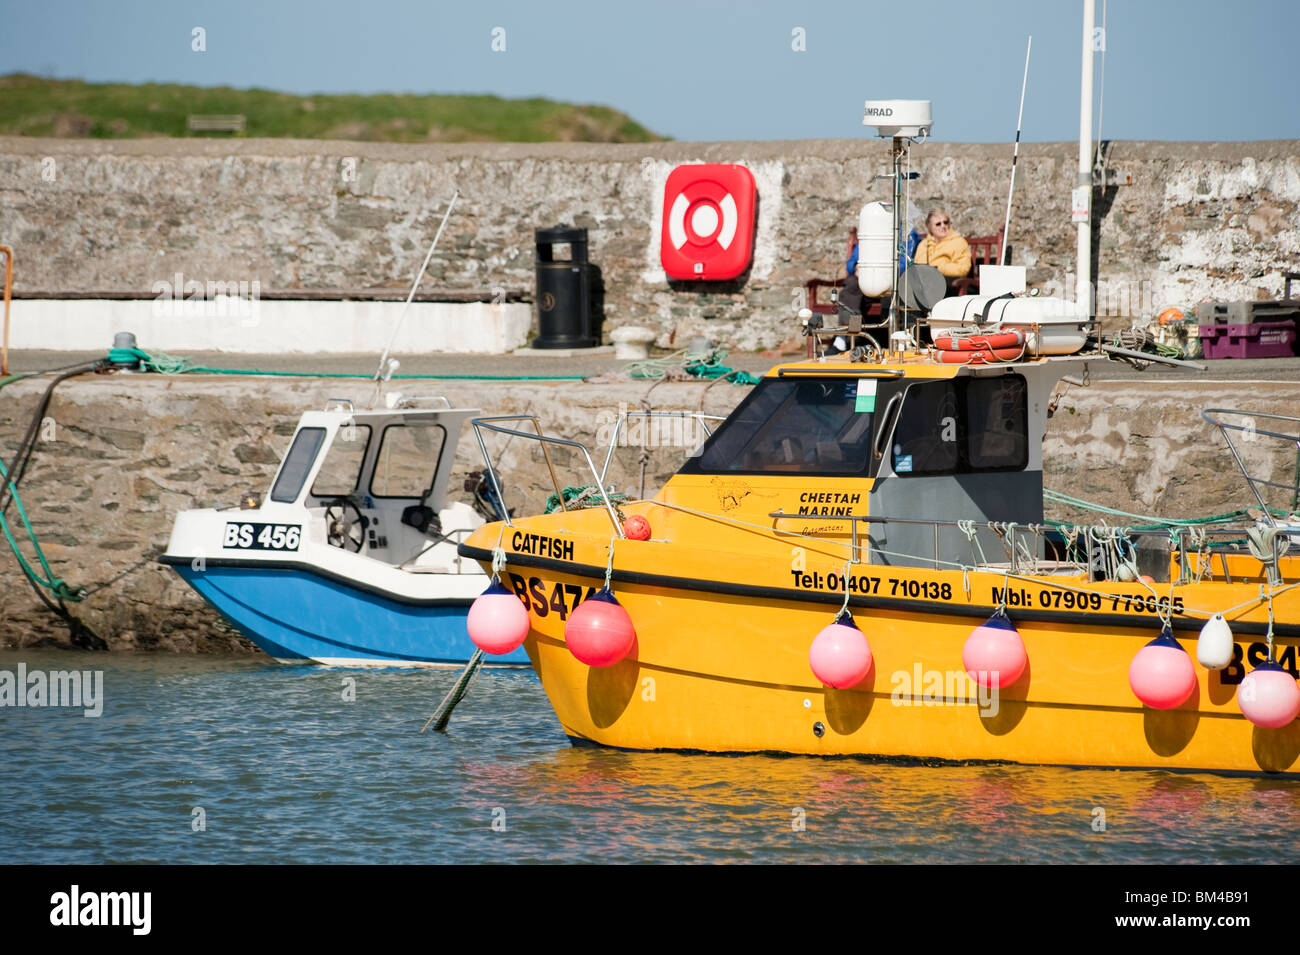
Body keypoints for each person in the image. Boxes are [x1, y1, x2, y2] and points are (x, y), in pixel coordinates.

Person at [913, 209, 972, 279]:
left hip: (947, 281)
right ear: (930, 227)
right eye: (938, 224)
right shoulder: (924, 244)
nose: (943, 226)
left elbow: (963, 268)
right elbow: (917, 267)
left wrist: (938, 268)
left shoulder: (958, 242)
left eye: (945, 222)